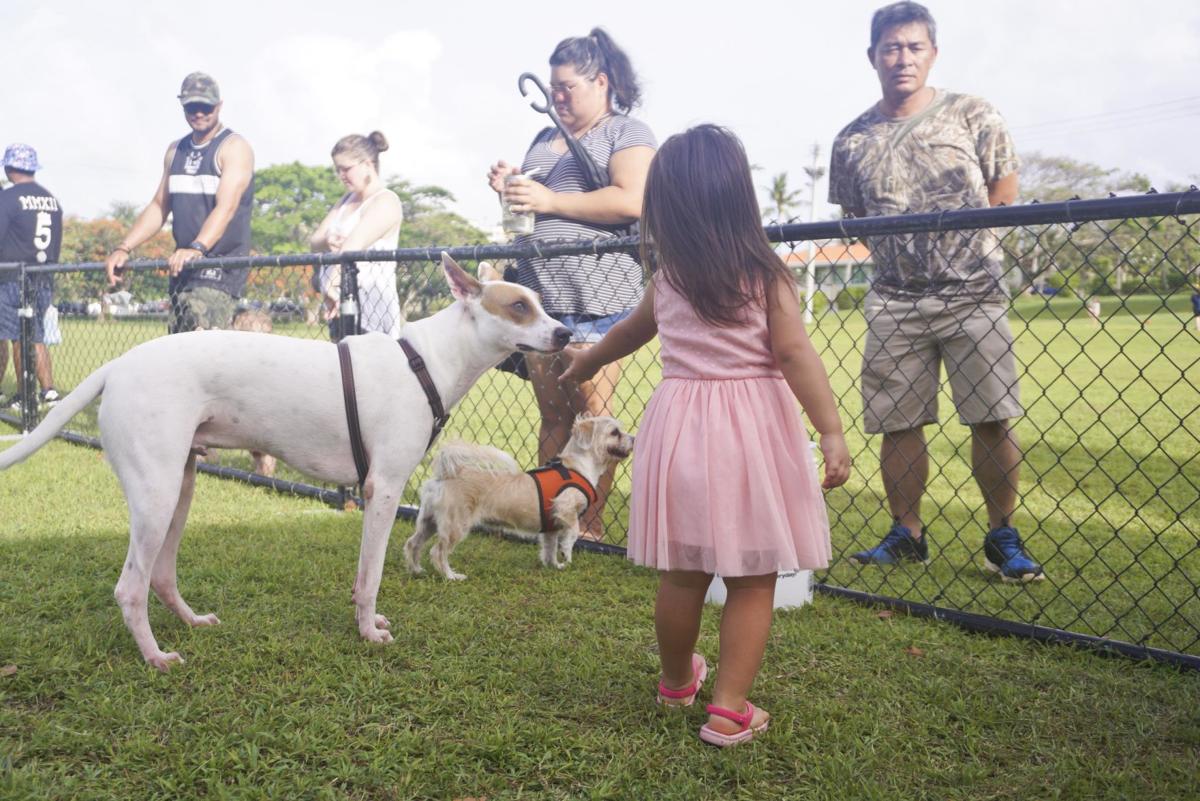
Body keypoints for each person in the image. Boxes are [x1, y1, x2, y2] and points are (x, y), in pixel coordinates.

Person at [561, 125, 850, 746]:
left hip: (681, 432)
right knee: (752, 577)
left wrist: (584, 362)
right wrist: (830, 431)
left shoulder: (668, 281)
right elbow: (795, 354)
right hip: (751, 434)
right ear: (736, 197)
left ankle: (675, 682)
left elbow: (627, 334)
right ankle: (729, 708)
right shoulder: (765, 275)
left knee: (684, 570)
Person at [828, 2, 1043, 581]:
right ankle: (907, 534)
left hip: (973, 292)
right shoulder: (851, 138)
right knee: (897, 421)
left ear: (933, 53)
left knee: (992, 417)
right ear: (872, 56)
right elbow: (854, 216)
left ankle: (1002, 534)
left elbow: (1004, 192)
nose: (902, 58)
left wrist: (971, 254)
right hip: (895, 299)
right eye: (891, 48)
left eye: (914, 47)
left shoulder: (973, 114)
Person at [487, 27, 656, 540]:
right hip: (547, 303)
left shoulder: (625, 133)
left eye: (567, 87)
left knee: (594, 422)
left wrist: (549, 200)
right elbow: (532, 203)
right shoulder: (544, 139)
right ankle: (550, 519)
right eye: (553, 87)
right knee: (553, 418)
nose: (556, 96)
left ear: (601, 82)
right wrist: (509, 188)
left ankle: (590, 524)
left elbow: (634, 200)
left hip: (598, 301)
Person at [104, 72, 254, 334]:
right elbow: (159, 206)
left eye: (205, 106)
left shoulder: (233, 147)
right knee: (178, 351)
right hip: (182, 266)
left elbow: (227, 207)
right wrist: (124, 247)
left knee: (203, 350)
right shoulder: (176, 151)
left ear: (219, 106)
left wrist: (197, 247)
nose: (198, 113)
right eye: (191, 107)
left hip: (218, 266)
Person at [310, 131, 404, 340]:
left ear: (367, 164)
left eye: (346, 169)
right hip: (340, 306)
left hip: (372, 313)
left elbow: (351, 249)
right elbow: (314, 242)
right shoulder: (345, 201)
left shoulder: (386, 201)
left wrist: (332, 284)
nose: (341, 175)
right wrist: (326, 241)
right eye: (337, 169)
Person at [0, 143, 63, 410]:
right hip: (43, 277)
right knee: (34, 335)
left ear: (8, 167)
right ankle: (48, 391)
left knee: (11, 334)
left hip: (12, 277)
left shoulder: (9, 198)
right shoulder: (51, 199)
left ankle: (24, 394)